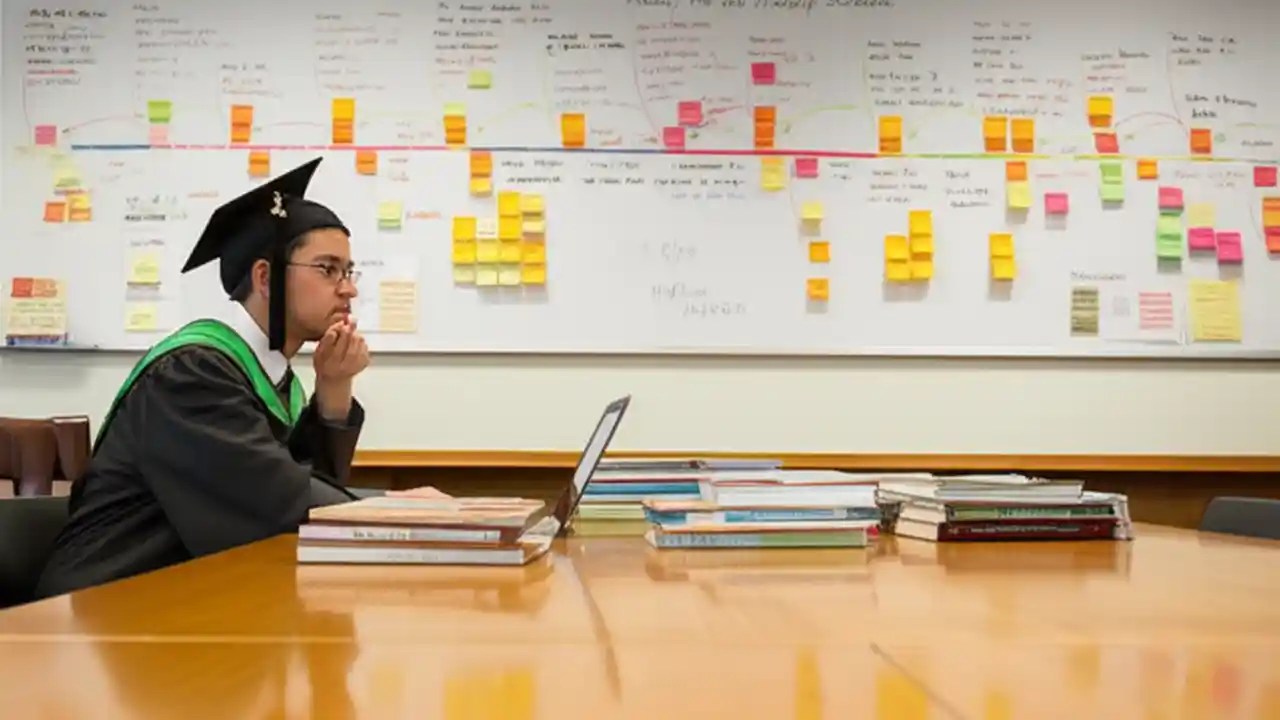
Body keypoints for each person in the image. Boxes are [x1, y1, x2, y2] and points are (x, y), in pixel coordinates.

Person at [36, 156, 405, 598]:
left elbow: (307, 495)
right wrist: (401, 512)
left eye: (348, 271)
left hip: (184, 606)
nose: (349, 288)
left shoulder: (263, 377)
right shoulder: (191, 375)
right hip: (102, 619)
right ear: (265, 278)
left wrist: (333, 389)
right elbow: (278, 506)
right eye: (328, 270)